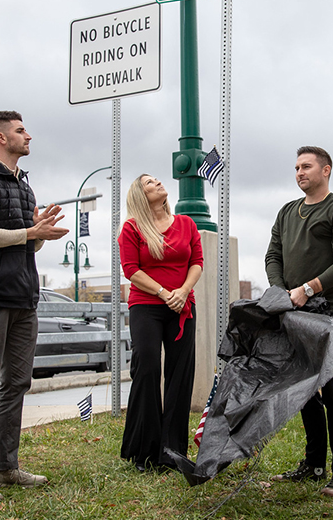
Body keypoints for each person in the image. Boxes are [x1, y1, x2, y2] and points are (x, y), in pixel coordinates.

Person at [0, 111, 68, 502]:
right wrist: (29, 231)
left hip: (25, 297)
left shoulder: (24, 185)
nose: (29, 136)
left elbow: (27, 243)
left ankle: (5, 467)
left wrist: (39, 233)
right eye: (22, 131)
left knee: (17, 384)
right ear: (1, 138)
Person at [265, 146, 333, 498]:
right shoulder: (287, 212)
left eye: (306, 166)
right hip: (293, 311)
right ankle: (314, 464)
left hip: (329, 310)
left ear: (327, 170)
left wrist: (309, 288)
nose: (299, 172)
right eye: (296, 167)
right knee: (305, 390)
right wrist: (282, 292)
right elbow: (273, 255)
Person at [117, 174, 204, 471]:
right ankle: (145, 451)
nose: (158, 183)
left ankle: (173, 451)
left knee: (180, 375)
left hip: (182, 305)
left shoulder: (186, 224)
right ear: (141, 196)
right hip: (147, 305)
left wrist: (181, 292)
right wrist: (165, 292)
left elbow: (197, 262)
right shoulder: (131, 228)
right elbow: (131, 270)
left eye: (156, 180)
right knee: (147, 368)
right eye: (149, 183)